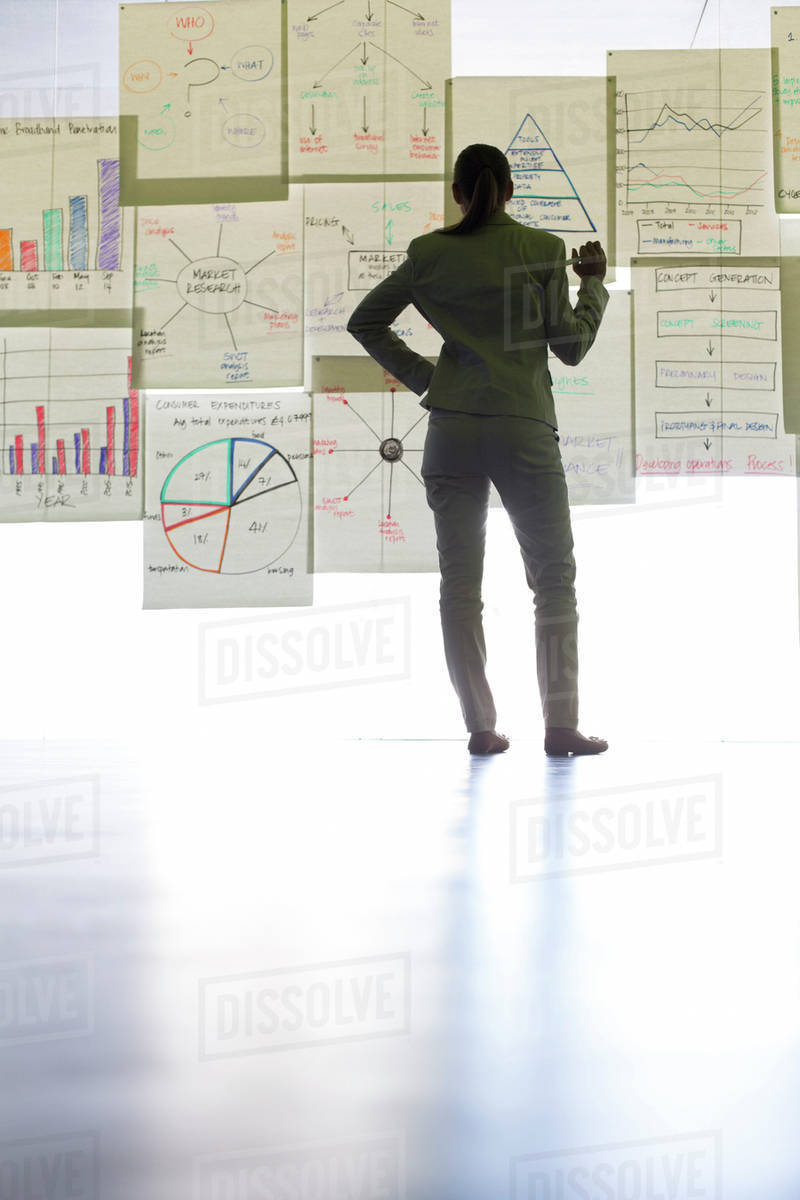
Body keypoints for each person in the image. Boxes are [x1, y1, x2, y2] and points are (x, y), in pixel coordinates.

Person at [346, 143, 609, 757]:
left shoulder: (429, 254)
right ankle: (561, 727)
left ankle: (481, 729)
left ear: (459, 193)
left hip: (452, 428)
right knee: (553, 582)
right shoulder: (542, 250)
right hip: (522, 425)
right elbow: (569, 348)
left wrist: (429, 378)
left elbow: (365, 322)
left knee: (460, 586)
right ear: (510, 190)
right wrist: (591, 285)